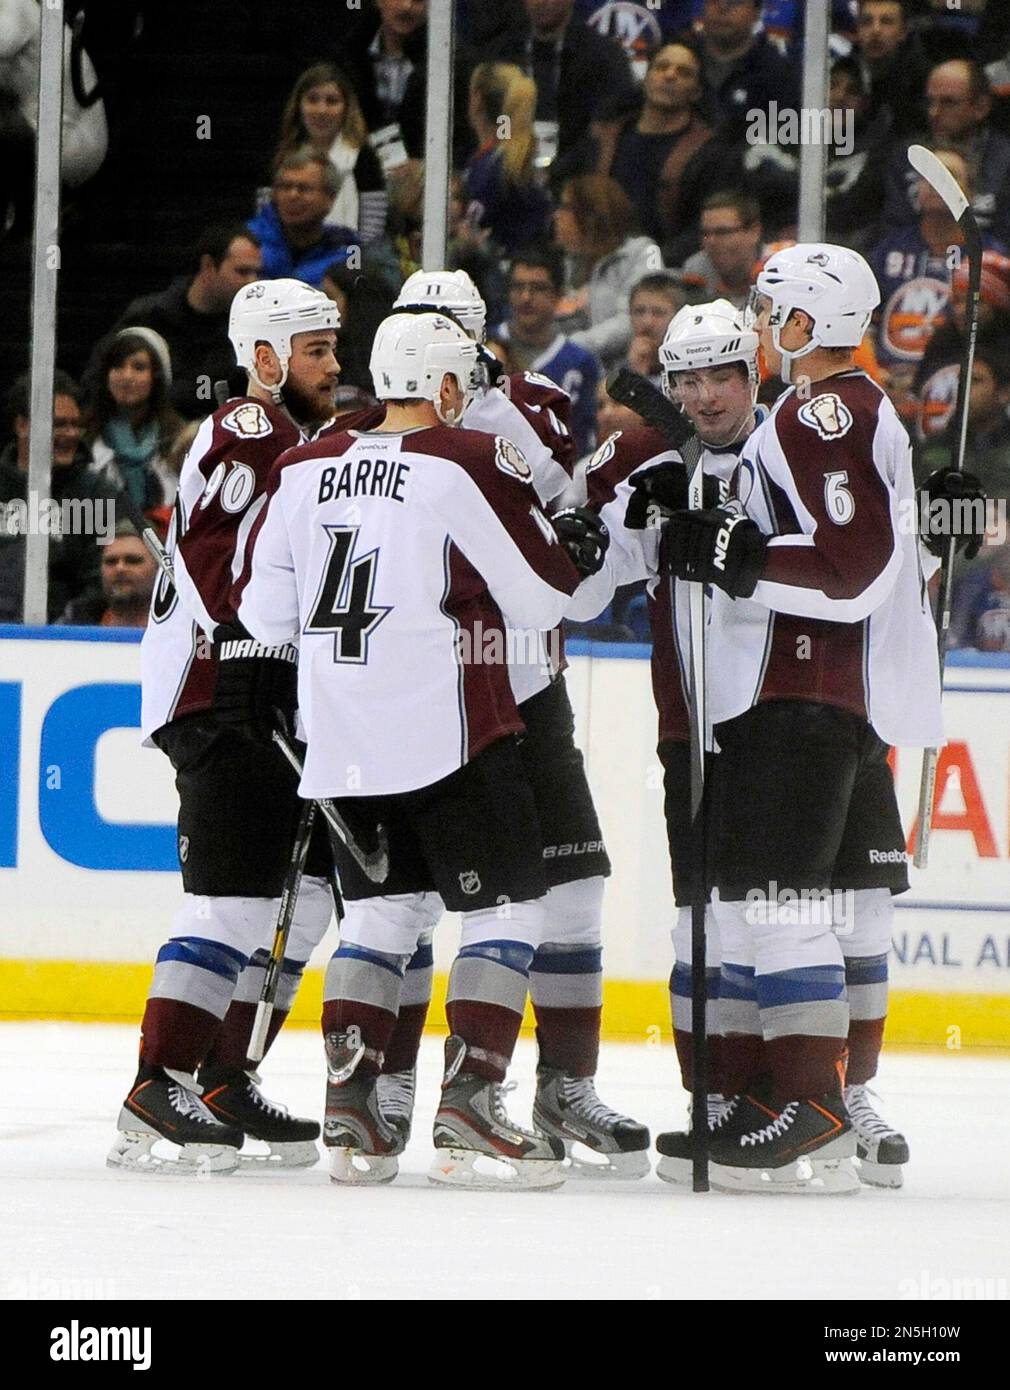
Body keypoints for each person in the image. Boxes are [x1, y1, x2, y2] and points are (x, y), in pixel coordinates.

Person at [228, 310, 585, 1189]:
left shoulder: (303, 465)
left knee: (386, 915)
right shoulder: (465, 458)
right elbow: (544, 602)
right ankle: (469, 1100)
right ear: (451, 388)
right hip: (451, 726)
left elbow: (261, 615)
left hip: (341, 736)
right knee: (510, 907)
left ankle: (353, 1108)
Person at [332, 269, 648, 1179]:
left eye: (456, 337)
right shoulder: (361, 436)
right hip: (430, 691)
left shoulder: (537, 409)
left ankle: (562, 1085)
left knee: (575, 884)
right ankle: (391, 1081)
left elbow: (573, 544)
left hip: (523, 686)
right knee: (412, 899)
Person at [663, 243, 948, 1192]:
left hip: (808, 687)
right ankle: (788, 1100)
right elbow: (875, 556)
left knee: (785, 910)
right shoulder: (855, 407)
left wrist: (742, 558)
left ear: (808, 325)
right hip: (832, 692)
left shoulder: (817, 411)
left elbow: (849, 568)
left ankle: (815, 1107)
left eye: (768, 307)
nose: (755, 319)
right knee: (781, 909)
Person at [107, 279, 343, 1175]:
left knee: (301, 901)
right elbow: (210, 551)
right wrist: (249, 652)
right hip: (221, 694)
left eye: (333, 348)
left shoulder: (296, 439)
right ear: (268, 358)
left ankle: (221, 1072)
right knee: (233, 901)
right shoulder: (255, 428)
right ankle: (155, 1082)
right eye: (315, 351)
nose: (332, 365)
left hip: (257, 691)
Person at [565, 300, 761, 1184]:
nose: (705, 395)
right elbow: (579, 593)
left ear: (754, 376)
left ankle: (803, 1098)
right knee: (700, 918)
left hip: (793, 718)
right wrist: (628, 526)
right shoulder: (644, 454)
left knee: (785, 919)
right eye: (688, 379)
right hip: (691, 726)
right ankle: (715, 1099)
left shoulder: (790, 445)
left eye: (723, 375)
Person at [0, 370, 119, 624]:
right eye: (59, 424)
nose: (72, 433)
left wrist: (60, 632)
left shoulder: (97, 493)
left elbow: (99, 582)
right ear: (22, 425)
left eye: (76, 425)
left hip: (65, 639)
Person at [112, 224, 263, 420]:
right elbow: (100, 379)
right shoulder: (147, 319)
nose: (252, 283)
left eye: (256, 273)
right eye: (242, 272)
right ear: (208, 266)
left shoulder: (250, 331)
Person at [598, 40, 726, 263]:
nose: (670, 76)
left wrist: (651, 263)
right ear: (646, 78)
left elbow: (704, 228)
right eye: (661, 67)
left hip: (671, 271)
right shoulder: (607, 138)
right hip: (601, 262)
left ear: (696, 91)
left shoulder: (711, 154)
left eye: (683, 72)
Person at [484, 0, 640, 182]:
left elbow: (606, 129)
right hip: (507, 172)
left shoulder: (604, 57)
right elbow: (493, 117)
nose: (542, 3)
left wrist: (559, 170)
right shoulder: (500, 52)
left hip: (578, 178)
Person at [881, 59, 1010, 240]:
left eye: (949, 102)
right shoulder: (907, 157)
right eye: (930, 102)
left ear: (981, 107)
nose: (934, 112)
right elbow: (893, 229)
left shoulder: (1005, 162)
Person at [554, 174, 663, 369]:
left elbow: (630, 322)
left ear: (590, 214)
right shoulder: (567, 262)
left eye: (566, 207)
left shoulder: (642, 254)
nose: (557, 215)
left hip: (624, 372)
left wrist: (565, 348)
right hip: (575, 369)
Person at [503, 244, 602, 456]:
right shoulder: (486, 349)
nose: (526, 297)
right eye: (518, 287)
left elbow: (583, 439)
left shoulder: (581, 362)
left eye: (538, 288)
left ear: (559, 294)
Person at [273, 63, 388, 244]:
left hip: (351, 260)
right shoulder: (281, 155)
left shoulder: (364, 158)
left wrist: (351, 267)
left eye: (332, 101)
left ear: (346, 108)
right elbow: (266, 222)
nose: (321, 110)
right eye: (312, 100)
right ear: (299, 105)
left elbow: (372, 230)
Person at [82, 328, 183, 517]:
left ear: (157, 376)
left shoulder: (180, 440)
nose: (127, 376)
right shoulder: (84, 433)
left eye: (138, 367)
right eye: (118, 366)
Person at [463, 63, 552, 256]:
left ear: (477, 100)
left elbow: (471, 235)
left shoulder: (494, 166)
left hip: (504, 274)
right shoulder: (508, 157)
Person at [248, 150, 358, 288]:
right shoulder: (248, 240)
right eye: (285, 187)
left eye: (305, 188)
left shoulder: (349, 252)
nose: (293, 195)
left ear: (330, 198)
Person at [695, 0, 800, 141]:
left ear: (756, 13)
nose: (722, 8)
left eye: (735, 2)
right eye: (714, 1)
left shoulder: (778, 73)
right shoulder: (679, 60)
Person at [57, 521, 158, 628]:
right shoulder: (73, 624)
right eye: (111, 561)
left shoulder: (176, 632)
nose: (120, 568)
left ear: (159, 569)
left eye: (133, 560)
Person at [854, 0, 931, 138]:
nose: (875, 30)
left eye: (886, 22)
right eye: (867, 22)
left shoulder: (921, 83)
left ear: (903, 31)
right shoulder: (844, 73)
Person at [677, 192, 763, 311]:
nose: (711, 242)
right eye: (705, 234)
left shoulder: (779, 265)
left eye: (722, 232)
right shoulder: (696, 269)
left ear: (754, 232)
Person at [625, 272, 685, 384]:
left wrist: (636, 380)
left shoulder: (690, 369)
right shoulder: (626, 361)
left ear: (678, 317)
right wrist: (635, 371)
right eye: (639, 311)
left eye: (658, 313)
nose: (647, 322)